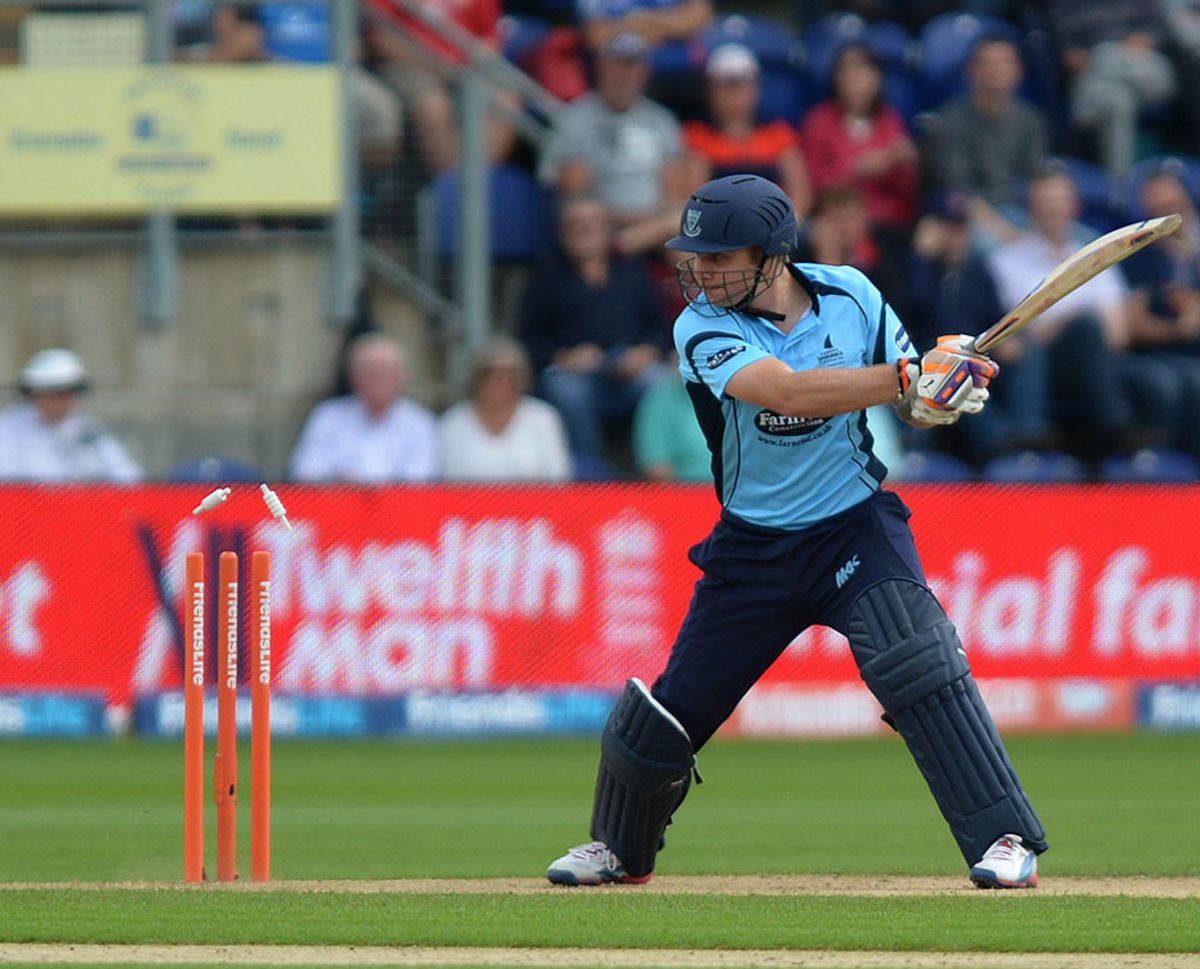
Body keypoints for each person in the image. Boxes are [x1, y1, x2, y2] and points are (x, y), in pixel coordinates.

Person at [545, 173, 1047, 891]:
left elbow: (913, 406)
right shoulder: (700, 326)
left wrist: (944, 392)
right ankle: (619, 848)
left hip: (853, 527)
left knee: (918, 660)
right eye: (697, 257)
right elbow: (786, 391)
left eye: (721, 258)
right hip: (754, 547)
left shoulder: (853, 294)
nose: (701, 271)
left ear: (774, 255)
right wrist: (910, 375)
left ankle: (1004, 839)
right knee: (671, 712)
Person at [983, 165, 1178, 458]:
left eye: (1060, 201)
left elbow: (1118, 334)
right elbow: (1016, 334)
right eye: (1045, 202)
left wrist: (1065, 320)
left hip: (1102, 359)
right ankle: (1117, 427)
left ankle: (1168, 467)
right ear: (1030, 208)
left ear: (1074, 205)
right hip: (1040, 364)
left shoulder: (1096, 255)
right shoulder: (1006, 260)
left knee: (1171, 384)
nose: (1053, 209)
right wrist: (1075, 320)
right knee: (1085, 325)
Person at [519, 194, 669, 464]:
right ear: (562, 232)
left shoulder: (632, 271)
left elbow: (660, 327)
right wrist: (564, 357)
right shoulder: (546, 277)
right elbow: (529, 340)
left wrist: (646, 352)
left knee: (658, 382)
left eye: (594, 223)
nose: (586, 231)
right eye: (576, 225)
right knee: (567, 390)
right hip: (574, 371)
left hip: (628, 366)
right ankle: (590, 471)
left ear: (608, 230)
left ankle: (654, 467)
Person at [538, 31, 690, 255]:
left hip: (653, 225)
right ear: (600, 67)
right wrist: (638, 223)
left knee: (686, 229)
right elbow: (575, 191)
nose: (623, 74)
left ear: (644, 72)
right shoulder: (573, 119)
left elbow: (674, 192)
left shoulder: (661, 120)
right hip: (600, 226)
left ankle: (631, 242)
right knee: (584, 216)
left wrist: (644, 229)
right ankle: (627, 244)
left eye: (631, 66)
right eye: (616, 65)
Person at [923, 36, 1051, 249]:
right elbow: (958, 192)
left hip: (1024, 212)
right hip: (974, 218)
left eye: (1004, 62)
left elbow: (1038, 178)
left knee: (1084, 243)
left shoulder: (1030, 120)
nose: (997, 70)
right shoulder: (950, 122)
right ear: (970, 71)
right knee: (991, 248)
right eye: (988, 63)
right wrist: (1003, 232)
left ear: (1018, 71)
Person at [1047, 1, 1177, 183]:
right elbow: (1068, 53)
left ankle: (1086, 102)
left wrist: (1140, 42)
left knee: (1160, 79)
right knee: (1119, 100)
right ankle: (1120, 184)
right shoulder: (1067, 4)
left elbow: (1157, 28)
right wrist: (1086, 58)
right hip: (1093, 72)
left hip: (1139, 63)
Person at [799, 43, 919, 239]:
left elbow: (905, 193)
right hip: (837, 220)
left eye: (864, 70)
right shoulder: (819, 121)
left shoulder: (890, 120)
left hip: (885, 222)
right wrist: (856, 170)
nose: (856, 79)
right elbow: (812, 183)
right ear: (836, 78)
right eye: (848, 71)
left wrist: (903, 165)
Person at [289, 333, 441, 482]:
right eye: (368, 370)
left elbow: (421, 480)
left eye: (383, 370)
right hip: (338, 498)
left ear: (401, 375)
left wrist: (364, 488)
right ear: (352, 376)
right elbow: (305, 473)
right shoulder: (327, 416)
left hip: (397, 500)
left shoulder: (420, 422)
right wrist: (344, 485)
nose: (376, 378)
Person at [683, 44, 812, 218]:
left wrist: (787, 220)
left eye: (740, 85)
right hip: (720, 223)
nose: (733, 94)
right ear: (710, 90)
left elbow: (800, 191)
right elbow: (696, 195)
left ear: (756, 88)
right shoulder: (698, 135)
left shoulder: (779, 133)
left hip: (775, 220)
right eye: (724, 86)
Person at [439, 336, 573, 481]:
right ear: (476, 375)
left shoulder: (543, 417)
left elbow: (559, 477)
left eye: (510, 372)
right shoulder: (452, 423)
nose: (500, 378)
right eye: (490, 371)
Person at [0, 348, 142, 483]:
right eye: (51, 393)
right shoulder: (8, 428)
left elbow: (128, 477)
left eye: (66, 393)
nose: (59, 400)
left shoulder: (87, 428)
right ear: (34, 393)